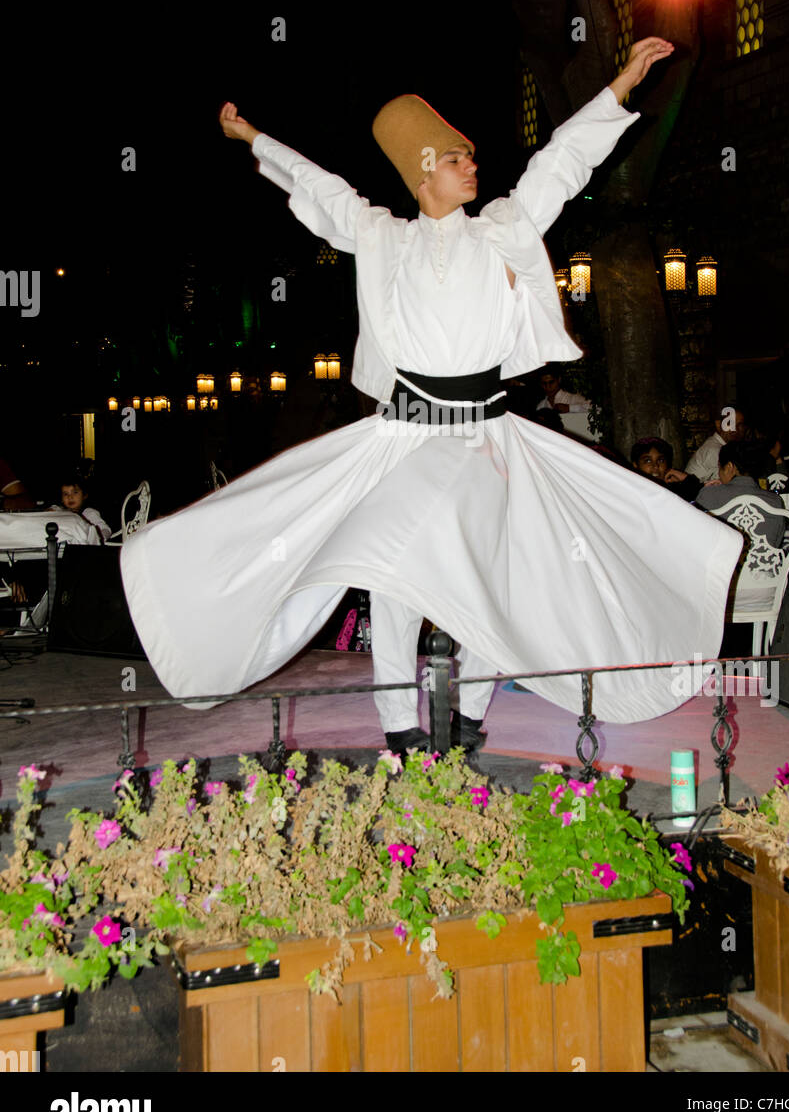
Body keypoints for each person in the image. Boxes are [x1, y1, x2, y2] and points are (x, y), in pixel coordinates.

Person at [120, 37, 743, 756]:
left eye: (470, 157)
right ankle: (397, 722)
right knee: (390, 574)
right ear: (424, 172)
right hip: (405, 437)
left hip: (485, 438)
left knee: (495, 580)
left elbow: (561, 164)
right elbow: (321, 190)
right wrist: (254, 136)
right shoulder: (382, 238)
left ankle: (472, 714)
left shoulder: (503, 229)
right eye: (457, 159)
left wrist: (623, 83)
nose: (472, 167)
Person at [695, 443, 786, 547]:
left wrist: (707, 490)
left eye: (719, 468)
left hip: (723, 562)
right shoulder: (775, 501)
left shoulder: (709, 495)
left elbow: (696, 535)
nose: (719, 474)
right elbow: (777, 542)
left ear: (729, 467)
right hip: (763, 562)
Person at [684, 405, 748, 484]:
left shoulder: (726, 448)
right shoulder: (714, 450)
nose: (735, 429)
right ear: (718, 425)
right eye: (729, 423)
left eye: (740, 425)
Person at [630, 437, 700, 502]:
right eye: (648, 461)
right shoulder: (630, 490)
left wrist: (684, 478)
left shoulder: (673, 489)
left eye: (660, 460)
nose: (655, 466)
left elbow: (697, 493)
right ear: (635, 465)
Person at [50, 473, 112, 542]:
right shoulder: (61, 511)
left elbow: (106, 530)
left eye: (75, 492)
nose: (70, 497)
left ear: (84, 495)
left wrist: (99, 538)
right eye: (65, 494)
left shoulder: (89, 513)